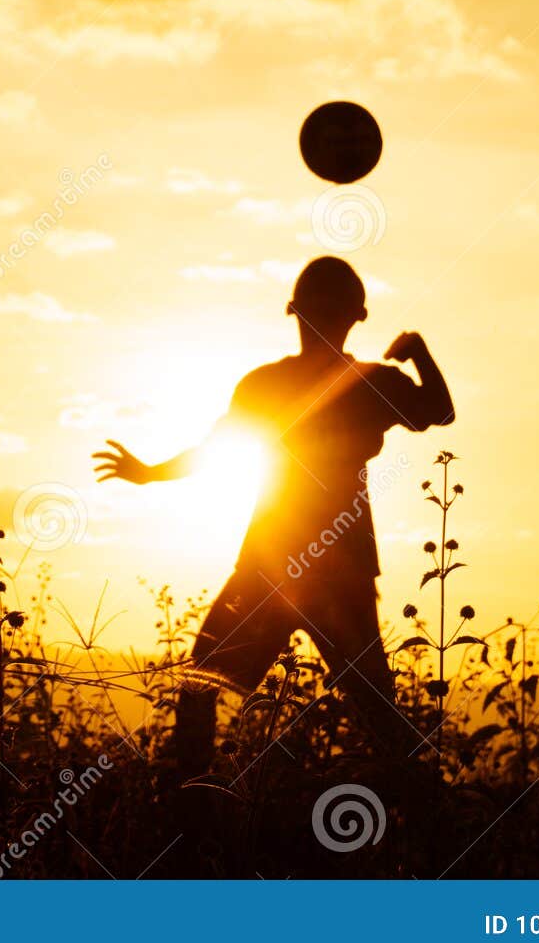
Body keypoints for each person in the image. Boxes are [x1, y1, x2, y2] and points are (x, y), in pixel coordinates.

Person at [93, 256, 454, 774]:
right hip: (326, 567)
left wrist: (151, 473)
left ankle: (190, 804)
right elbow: (439, 410)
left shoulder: (286, 384)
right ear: (356, 316)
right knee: (375, 713)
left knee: (203, 687)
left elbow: (214, 450)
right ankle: (421, 808)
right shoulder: (368, 383)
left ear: (294, 312)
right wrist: (416, 351)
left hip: (279, 564)